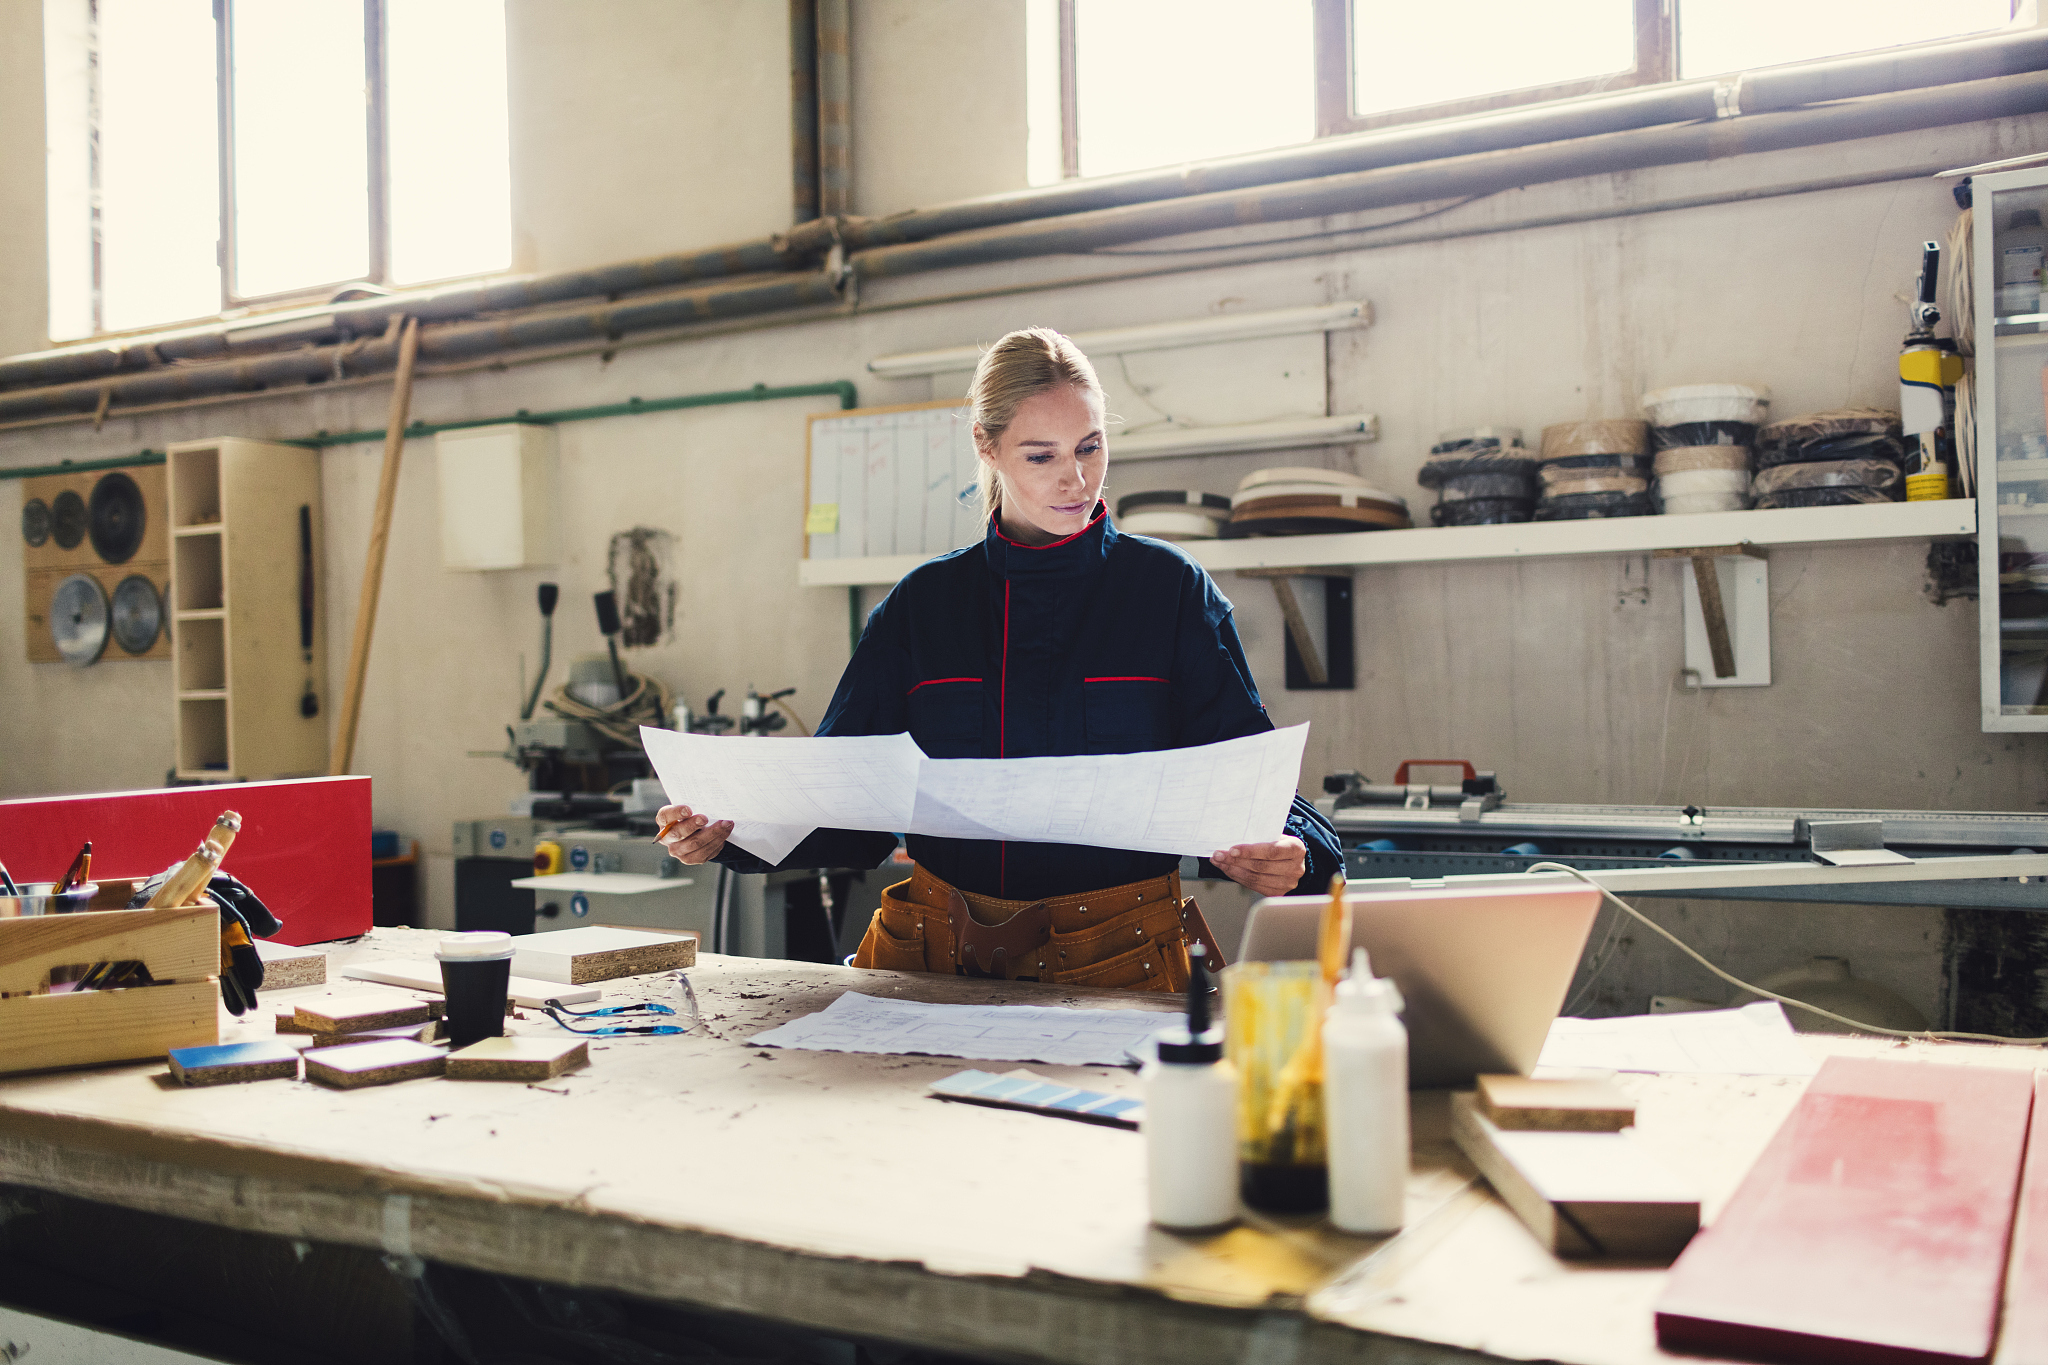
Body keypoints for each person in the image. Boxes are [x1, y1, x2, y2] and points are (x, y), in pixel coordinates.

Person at [658, 326, 1341, 992]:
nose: (1076, 479)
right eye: (1041, 457)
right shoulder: (921, 607)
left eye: (1091, 447)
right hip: (931, 962)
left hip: (1123, 962)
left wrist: (1294, 850)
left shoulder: (1170, 593)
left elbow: (1254, 786)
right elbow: (846, 811)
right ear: (986, 446)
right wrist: (728, 834)